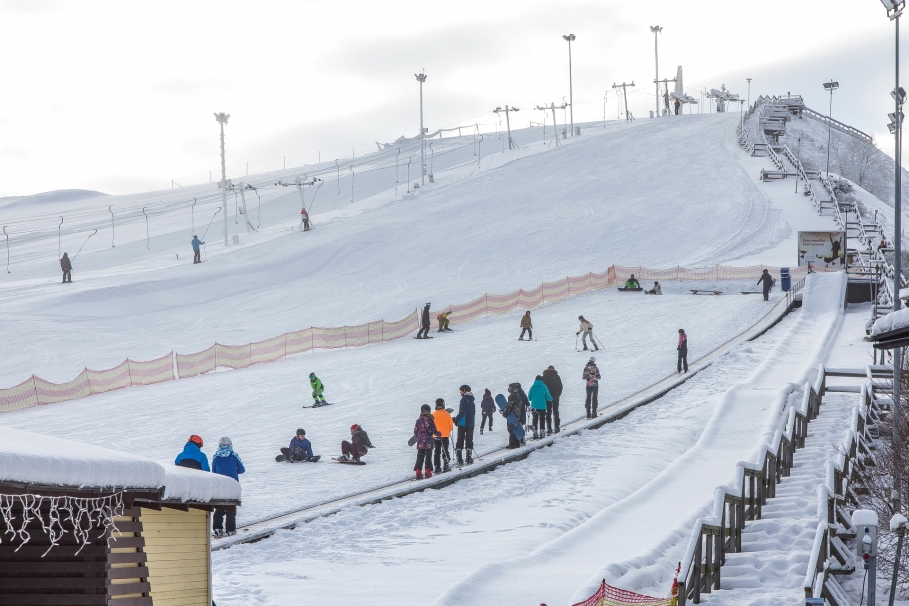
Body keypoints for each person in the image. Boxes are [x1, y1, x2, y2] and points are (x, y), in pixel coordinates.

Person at [211, 437, 244, 538]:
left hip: (220, 485)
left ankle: (217, 528)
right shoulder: (234, 456)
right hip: (233, 484)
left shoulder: (216, 457)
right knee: (231, 508)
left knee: (219, 507)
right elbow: (242, 469)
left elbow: (214, 472)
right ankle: (230, 530)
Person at [452, 385, 476, 465]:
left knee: (460, 440)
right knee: (469, 440)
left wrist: (456, 419)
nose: (460, 392)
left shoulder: (464, 399)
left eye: (461, 390)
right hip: (471, 423)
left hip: (462, 423)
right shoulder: (472, 400)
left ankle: (459, 459)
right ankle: (469, 458)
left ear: (465, 390)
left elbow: (462, 411)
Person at [413, 404, 438, 479]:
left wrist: (419, 435)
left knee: (420, 456)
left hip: (420, 442)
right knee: (428, 456)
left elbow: (415, 432)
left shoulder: (418, 420)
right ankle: (428, 471)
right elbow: (434, 430)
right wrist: (439, 433)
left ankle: (418, 471)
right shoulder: (430, 420)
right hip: (429, 442)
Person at [432, 399, 454, 473]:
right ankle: (446, 465)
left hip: (436, 436)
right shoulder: (447, 414)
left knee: (437, 451)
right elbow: (451, 425)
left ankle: (437, 467)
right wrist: (448, 431)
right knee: (445, 450)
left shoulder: (433, 414)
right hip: (445, 435)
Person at [527, 375, 552, 439]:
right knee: (542, 418)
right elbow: (547, 396)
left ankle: (535, 432)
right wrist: (551, 399)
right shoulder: (544, 386)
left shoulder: (532, 387)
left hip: (534, 406)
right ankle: (542, 431)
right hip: (542, 406)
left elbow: (529, 397)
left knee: (534, 419)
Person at [541, 366, 563, 434]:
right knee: (556, 412)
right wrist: (558, 394)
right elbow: (560, 386)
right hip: (555, 397)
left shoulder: (543, 377)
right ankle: (557, 427)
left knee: (548, 412)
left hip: (547, 398)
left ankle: (549, 427)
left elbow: (542, 388)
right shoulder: (557, 376)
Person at [504, 384, 524, 449]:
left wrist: (505, 412)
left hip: (512, 415)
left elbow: (509, 405)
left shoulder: (512, 396)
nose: (509, 389)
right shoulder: (519, 395)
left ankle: (512, 444)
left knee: (511, 429)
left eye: (509, 387)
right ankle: (517, 443)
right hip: (518, 414)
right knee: (516, 428)